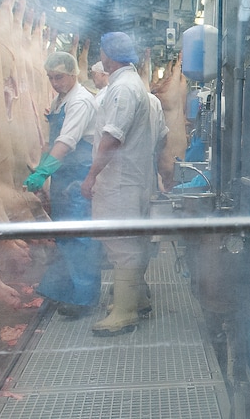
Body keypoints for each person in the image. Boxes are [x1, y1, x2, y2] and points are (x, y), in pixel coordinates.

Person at [81, 32, 168, 336]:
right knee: (130, 242)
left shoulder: (123, 89)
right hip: (132, 178)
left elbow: (112, 137)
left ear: (108, 55)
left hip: (120, 180)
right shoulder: (131, 86)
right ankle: (136, 299)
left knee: (122, 245)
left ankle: (125, 312)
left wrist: (91, 174)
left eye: (102, 52)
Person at [23, 51, 102, 316]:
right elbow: (53, 141)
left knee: (79, 237)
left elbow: (67, 143)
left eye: (59, 77)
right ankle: (61, 290)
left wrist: (43, 172)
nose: (54, 82)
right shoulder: (60, 100)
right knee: (64, 236)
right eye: (50, 78)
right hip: (63, 176)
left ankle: (83, 298)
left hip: (78, 177)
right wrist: (43, 168)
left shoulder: (80, 101)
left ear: (72, 74)